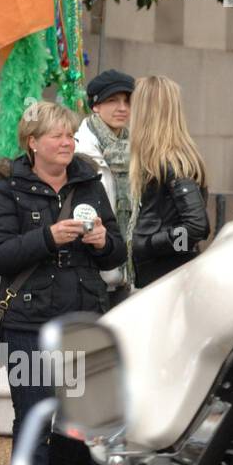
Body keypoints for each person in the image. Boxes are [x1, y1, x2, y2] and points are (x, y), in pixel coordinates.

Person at [0, 101, 126, 465]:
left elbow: (117, 254)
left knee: (95, 415)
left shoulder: (89, 183)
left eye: (69, 135)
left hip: (84, 319)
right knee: (33, 417)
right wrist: (48, 237)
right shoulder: (8, 188)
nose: (67, 143)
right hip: (29, 324)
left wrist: (103, 242)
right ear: (33, 143)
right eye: (57, 136)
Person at [127, 76, 211, 289]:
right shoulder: (162, 159)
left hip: (166, 276)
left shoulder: (172, 161)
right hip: (166, 274)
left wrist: (147, 244)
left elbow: (196, 227)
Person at [74, 68, 134, 298]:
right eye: (113, 100)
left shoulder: (136, 149)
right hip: (91, 274)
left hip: (126, 274)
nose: (122, 108)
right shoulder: (80, 151)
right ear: (95, 106)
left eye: (127, 101)